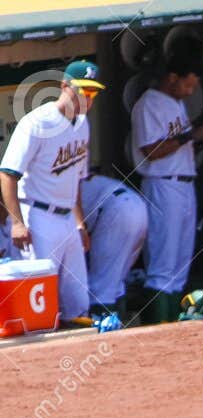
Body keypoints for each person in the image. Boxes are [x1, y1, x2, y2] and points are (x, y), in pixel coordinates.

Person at [0, 60, 102, 328]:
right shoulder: (37, 122)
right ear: (64, 87)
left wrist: (80, 222)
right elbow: (7, 174)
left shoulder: (82, 125)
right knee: (41, 302)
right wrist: (18, 223)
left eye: (93, 93)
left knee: (78, 303)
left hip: (67, 217)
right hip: (38, 215)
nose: (87, 98)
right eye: (82, 91)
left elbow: (75, 179)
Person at [131, 53, 203, 324]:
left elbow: (176, 146)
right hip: (162, 185)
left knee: (180, 264)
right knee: (162, 264)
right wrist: (191, 135)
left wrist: (201, 140)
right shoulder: (148, 104)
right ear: (172, 78)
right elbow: (151, 150)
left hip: (183, 184)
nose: (190, 91)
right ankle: (159, 329)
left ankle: (174, 327)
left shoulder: (176, 104)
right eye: (187, 85)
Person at [79, 172, 148, 331]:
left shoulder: (60, 190)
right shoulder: (76, 181)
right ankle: (118, 331)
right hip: (136, 205)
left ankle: (105, 335)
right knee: (115, 283)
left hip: (115, 210)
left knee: (101, 287)